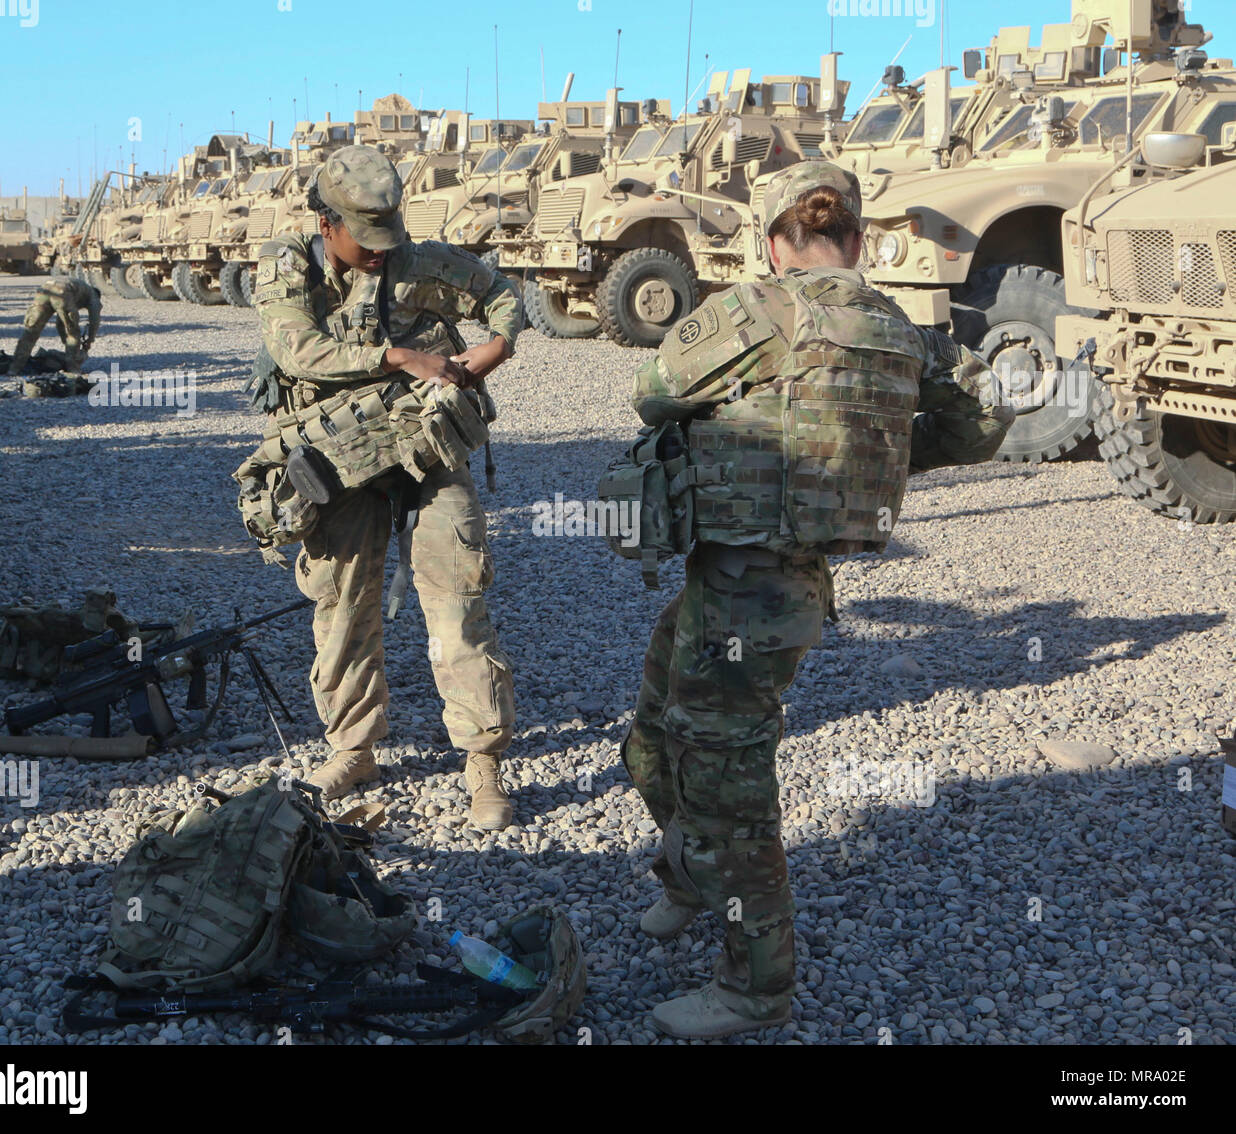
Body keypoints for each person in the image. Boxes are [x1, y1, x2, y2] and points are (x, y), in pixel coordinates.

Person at [618, 161, 1015, 1038]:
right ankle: (689, 878)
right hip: (752, 584)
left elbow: (651, 394)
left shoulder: (755, 308)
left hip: (752, 596)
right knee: (648, 736)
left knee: (731, 792)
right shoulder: (902, 326)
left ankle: (756, 986)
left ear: (769, 242)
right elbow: (973, 429)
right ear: (858, 241)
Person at [252, 145, 522, 828]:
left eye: (386, 238)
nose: (378, 252)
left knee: (457, 598)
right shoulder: (288, 265)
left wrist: (493, 350)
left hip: (426, 451)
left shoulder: (416, 260)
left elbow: (503, 298)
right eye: (362, 240)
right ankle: (353, 747)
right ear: (325, 225)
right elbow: (296, 349)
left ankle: (483, 763)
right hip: (338, 460)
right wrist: (397, 355)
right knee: (341, 605)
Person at [8, 276, 101, 375]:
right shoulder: (93, 295)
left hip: (45, 288)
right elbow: (95, 320)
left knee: (31, 330)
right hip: (63, 291)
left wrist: (65, 341)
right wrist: (90, 340)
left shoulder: (79, 289)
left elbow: (60, 323)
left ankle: (14, 368)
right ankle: (73, 370)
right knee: (73, 333)